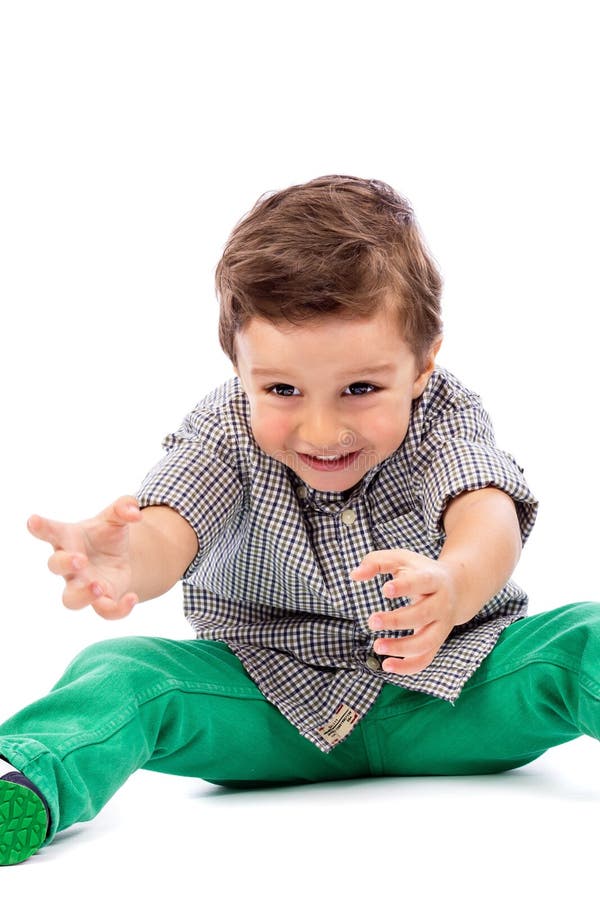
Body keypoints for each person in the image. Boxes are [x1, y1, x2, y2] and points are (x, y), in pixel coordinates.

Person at [2, 175, 599, 867]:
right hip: (267, 706)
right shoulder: (225, 429)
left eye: (361, 389)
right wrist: (128, 558)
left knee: (580, 639)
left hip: (453, 693)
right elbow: (173, 523)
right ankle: (28, 780)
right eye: (282, 390)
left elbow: (484, 509)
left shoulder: (446, 414)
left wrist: (455, 581)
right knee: (124, 671)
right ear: (240, 365)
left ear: (421, 364)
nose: (322, 429)